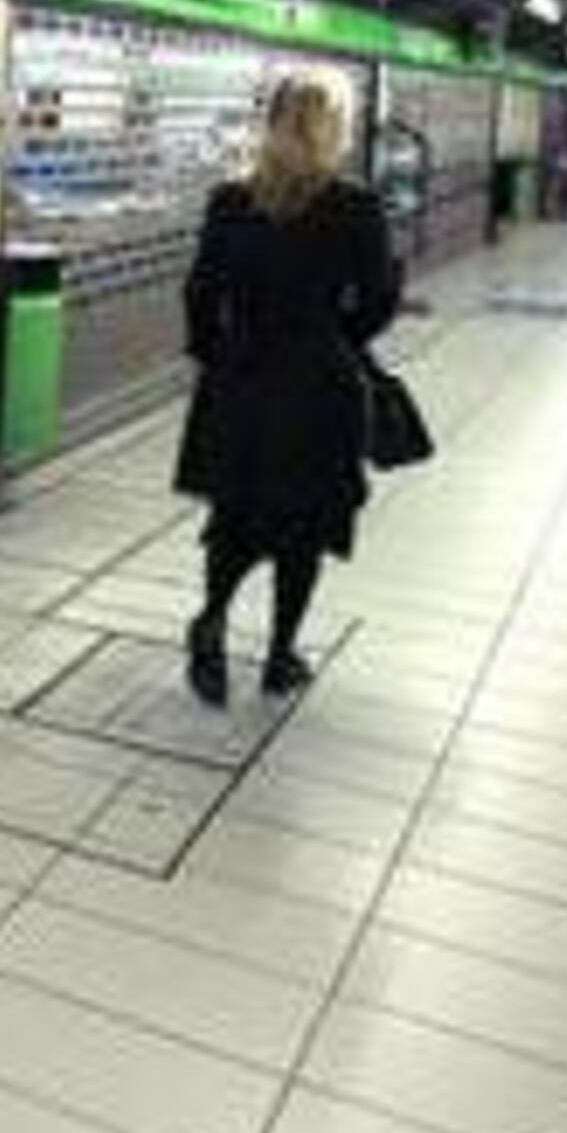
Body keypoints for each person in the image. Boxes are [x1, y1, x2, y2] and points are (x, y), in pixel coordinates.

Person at [174, 72, 402, 705]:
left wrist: (215, 356)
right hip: (318, 386)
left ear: (271, 121)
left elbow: (200, 293)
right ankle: (279, 657)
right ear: (337, 126)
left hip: (241, 377)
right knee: (305, 523)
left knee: (235, 515)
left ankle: (211, 629)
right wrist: (338, 338)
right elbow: (381, 299)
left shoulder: (230, 200)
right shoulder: (355, 206)